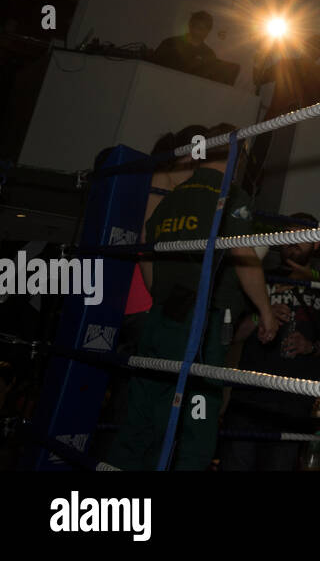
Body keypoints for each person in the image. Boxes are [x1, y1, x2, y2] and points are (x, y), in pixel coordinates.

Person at [105, 124, 278, 470]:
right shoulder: (228, 195)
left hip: (159, 321)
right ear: (237, 156)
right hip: (200, 326)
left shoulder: (171, 199)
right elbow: (243, 256)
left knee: (142, 414)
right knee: (197, 420)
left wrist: (162, 299)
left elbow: (149, 255)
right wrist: (265, 310)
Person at [220, 228, 320, 470]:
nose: (294, 242)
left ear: (316, 243)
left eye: (302, 237)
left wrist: (311, 347)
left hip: (293, 404)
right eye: (289, 236)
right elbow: (231, 334)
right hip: (248, 398)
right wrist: (262, 314)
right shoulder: (257, 278)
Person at [255, 33, 320, 120]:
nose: (318, 52)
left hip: (302, 125)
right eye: (316, 47)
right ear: (306, 47)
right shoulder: (285, 64)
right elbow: (258, 80)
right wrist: (260, 57)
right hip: (275, 122)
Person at [151, 11, 220, 75]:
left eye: (202, 28)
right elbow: (152, 67)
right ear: (190, 25)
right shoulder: (170, 43)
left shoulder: (209, 55)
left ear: (208, 31)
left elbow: (209, 81)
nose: (198, 31)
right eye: (197, 26)